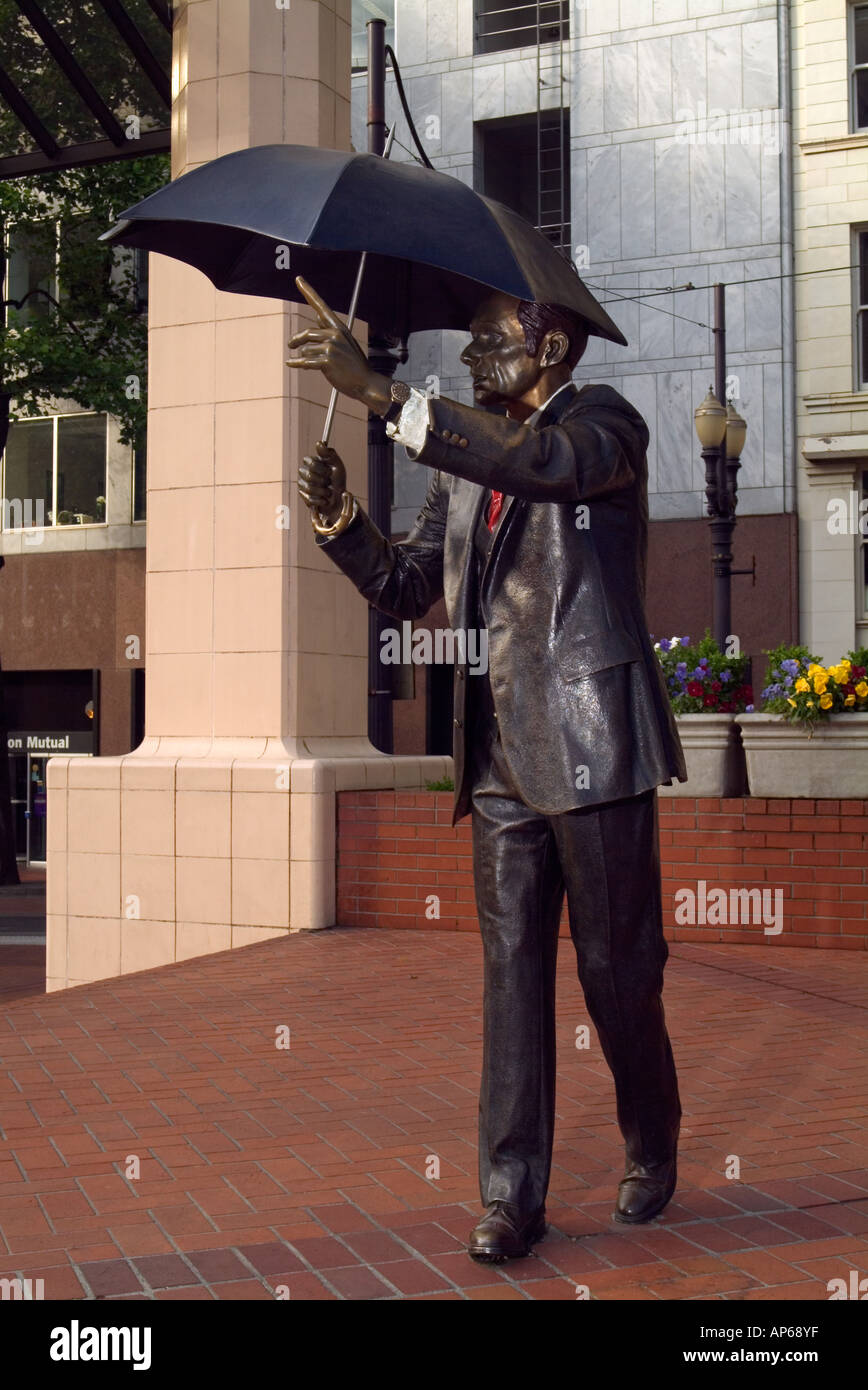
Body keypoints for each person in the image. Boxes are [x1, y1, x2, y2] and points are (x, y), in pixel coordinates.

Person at [288, 275, 687, 1263]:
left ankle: (652, 1134)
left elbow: (542, 461)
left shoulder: (605, 427)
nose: (469, 358)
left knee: (615, 973)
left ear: (549, 350)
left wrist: (387, 398)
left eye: (487, 340)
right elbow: (410, 583)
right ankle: (511, 1194)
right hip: (498, 752)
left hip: (591, 745)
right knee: (510, 979)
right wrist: (343, 529)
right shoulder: (463, 461)